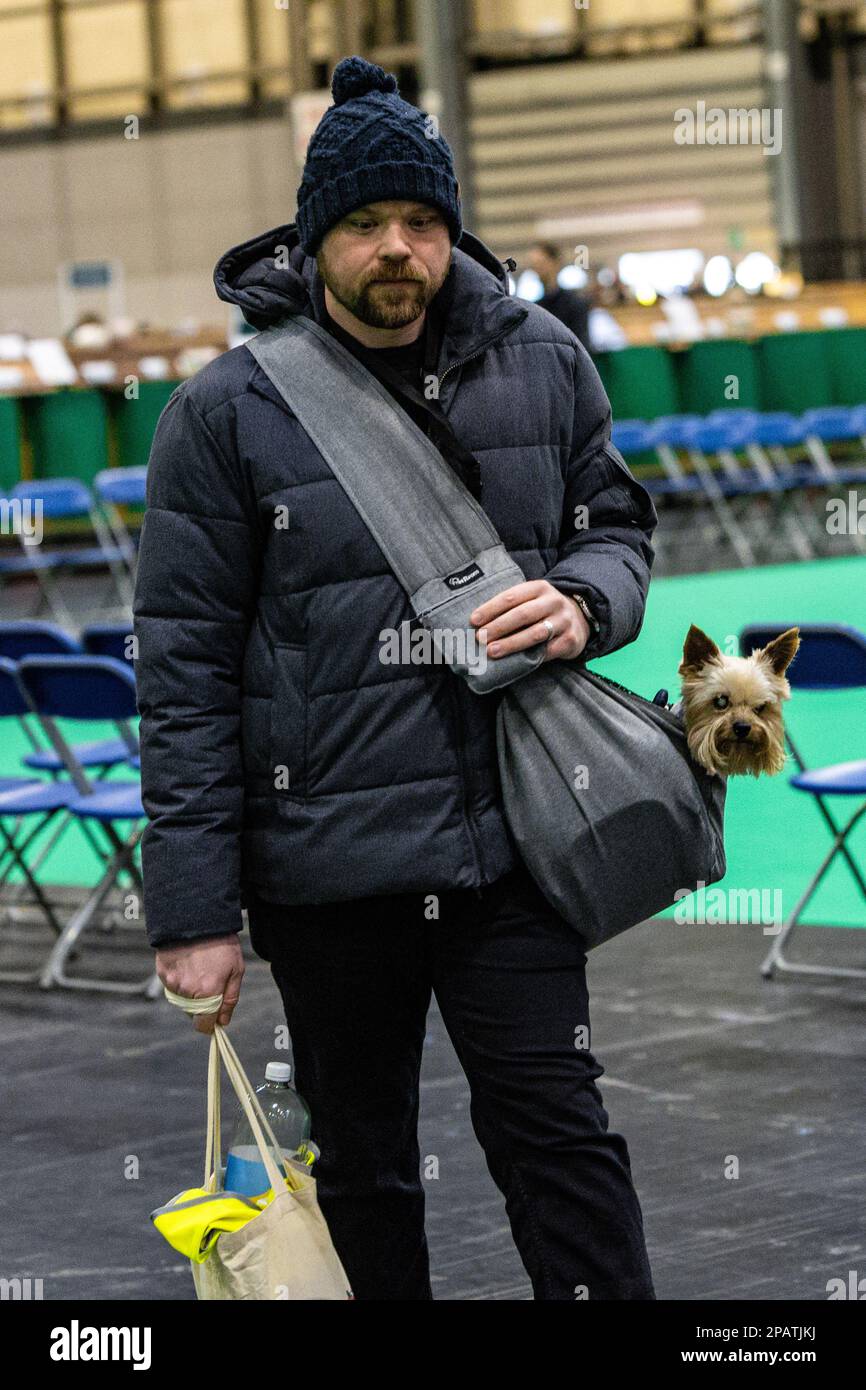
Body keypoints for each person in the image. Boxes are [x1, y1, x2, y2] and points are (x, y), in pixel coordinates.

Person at [134, 55, 658, 1301]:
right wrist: (193, 911)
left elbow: (619, 527)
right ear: (315, 237)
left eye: (421, 221)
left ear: (450, 229)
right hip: (329, 865)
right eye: (365, 223)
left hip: (517, 842)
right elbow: (185, 667)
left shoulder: (543, 359)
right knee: (364, 1171)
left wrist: (585, 600)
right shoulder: (224, 412)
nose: (397, 249)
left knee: (561, 1144)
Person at [525, 240, 593, 353]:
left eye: (541, 263)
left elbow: (582, 346)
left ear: (556, 262)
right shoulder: (535, 307)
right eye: (533, 265)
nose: (536, 269)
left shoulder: (575, 303)